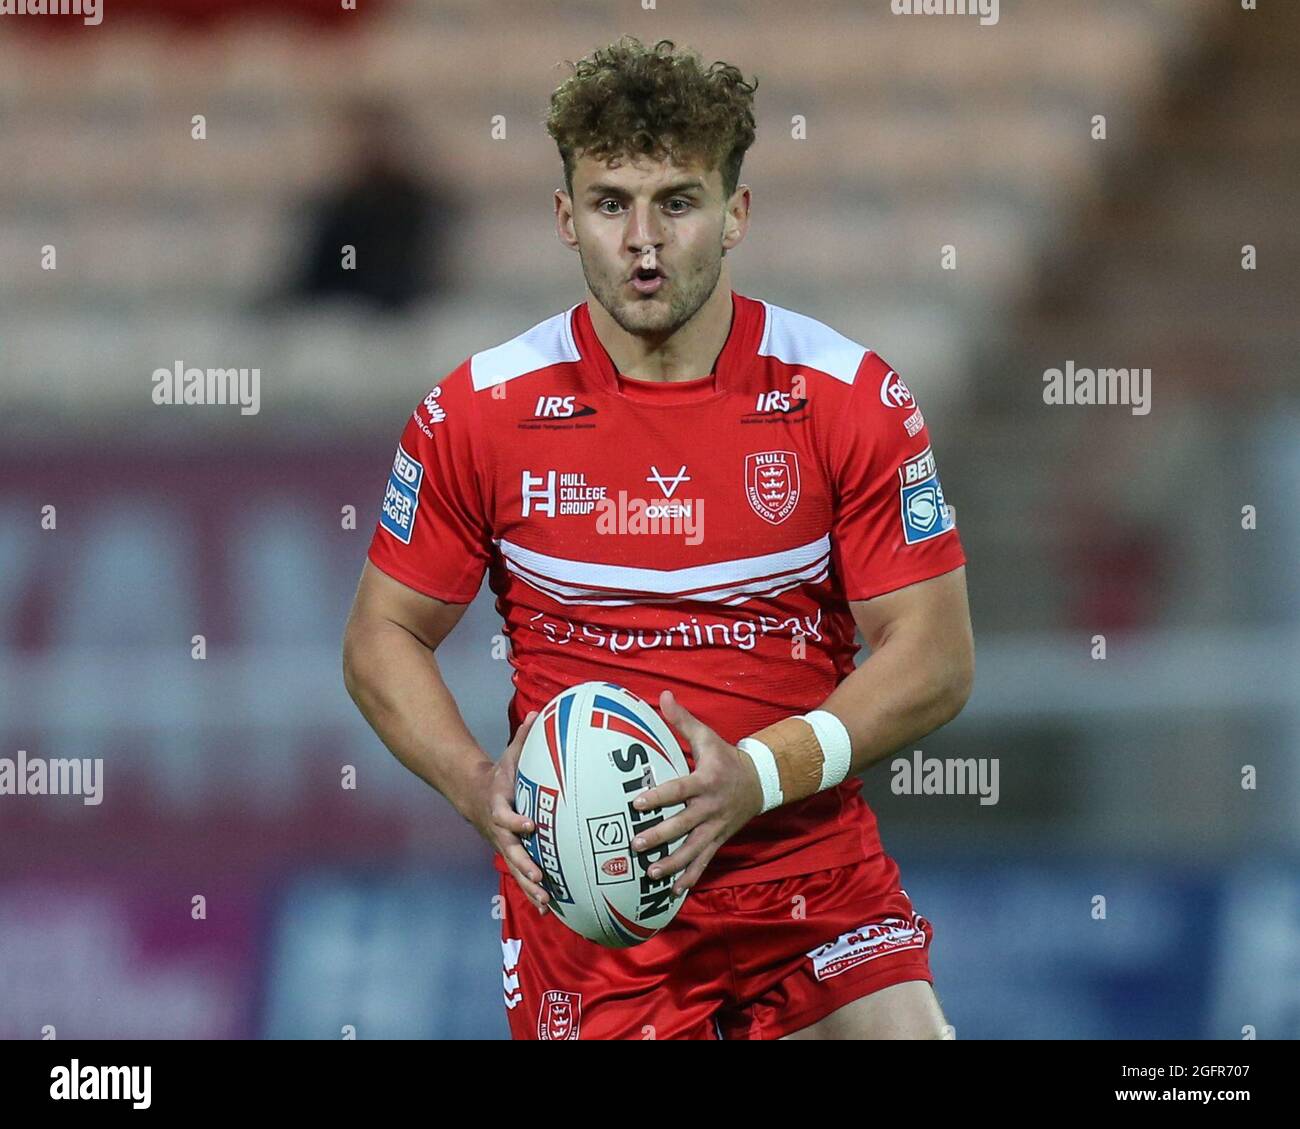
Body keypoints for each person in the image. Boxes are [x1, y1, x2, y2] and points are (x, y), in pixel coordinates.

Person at [343, 36, 973, 1040]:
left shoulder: (846, 397)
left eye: (677, 201)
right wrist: (473, 782)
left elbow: (935, 657)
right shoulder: (479, 411)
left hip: (805, 879)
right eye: (609, 203)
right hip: (596, 919)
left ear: (735, 215)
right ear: (565, 217)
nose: (642, 240)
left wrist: (752, 777)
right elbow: (382, 633)